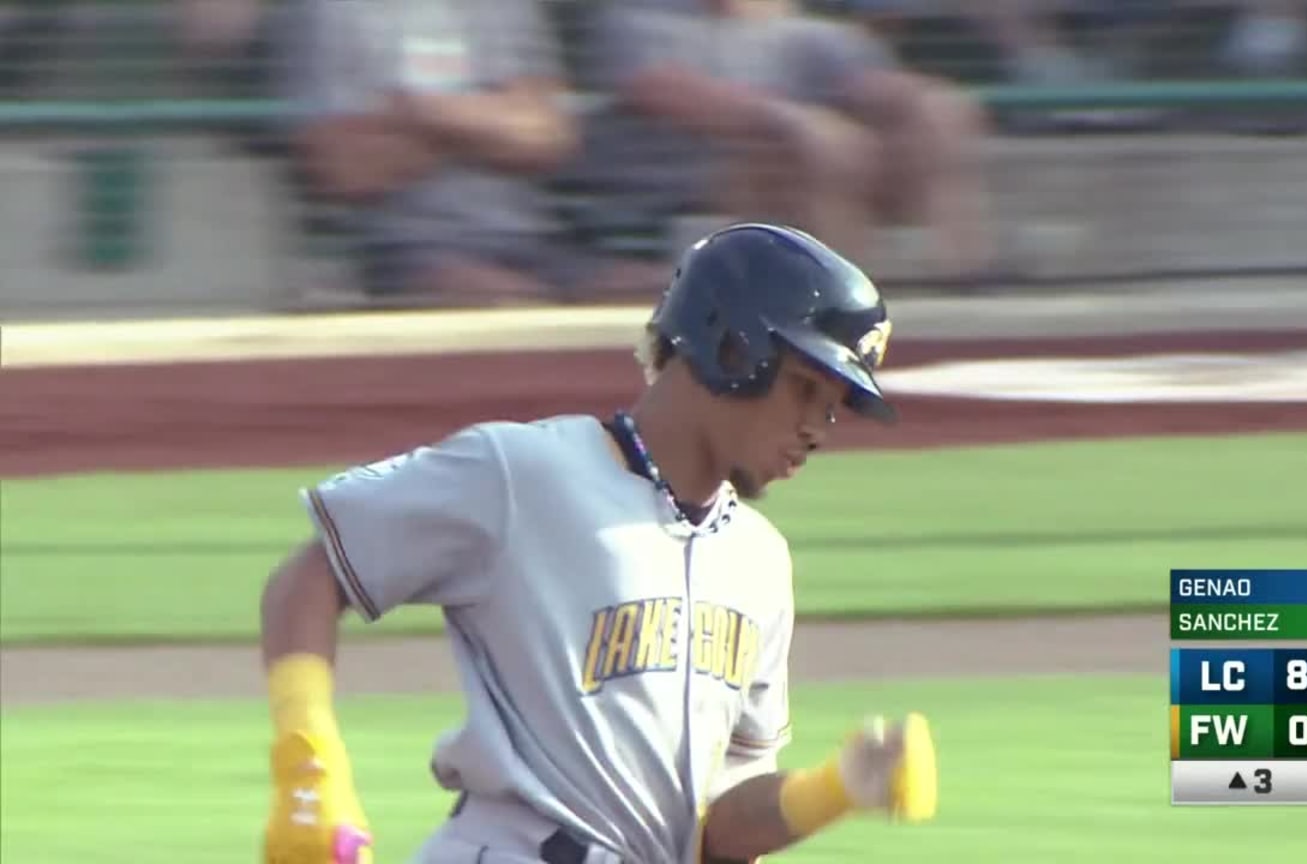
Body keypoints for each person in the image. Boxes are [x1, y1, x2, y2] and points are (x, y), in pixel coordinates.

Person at [259, 222, 938, 864]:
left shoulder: (760, 562)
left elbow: (717, 829)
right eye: (806, 389)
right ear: (733, 349)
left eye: (834, 405)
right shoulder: (522, 474)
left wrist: (838, 787)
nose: (820, 426)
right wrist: (308, 761)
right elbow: (314, 577)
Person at [275, 0, 661, 306]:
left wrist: (422, 114)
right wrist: (494, 121)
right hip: (402, 247)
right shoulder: (330, 12)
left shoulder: (502, 7)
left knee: (657, 298)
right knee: (511, 306)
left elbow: (552, 138)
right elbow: (348, 170)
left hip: (535, 241)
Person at [583, 0, 998, 278]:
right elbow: (662, 90)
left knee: (937, 113)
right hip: (667, 197)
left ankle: (962, 291)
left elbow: (866, 84)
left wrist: (919, 98)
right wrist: (791, 119)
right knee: (819, 145)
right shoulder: (639, 15)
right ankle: (834, 323)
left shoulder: (796, 24)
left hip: (779, 169)